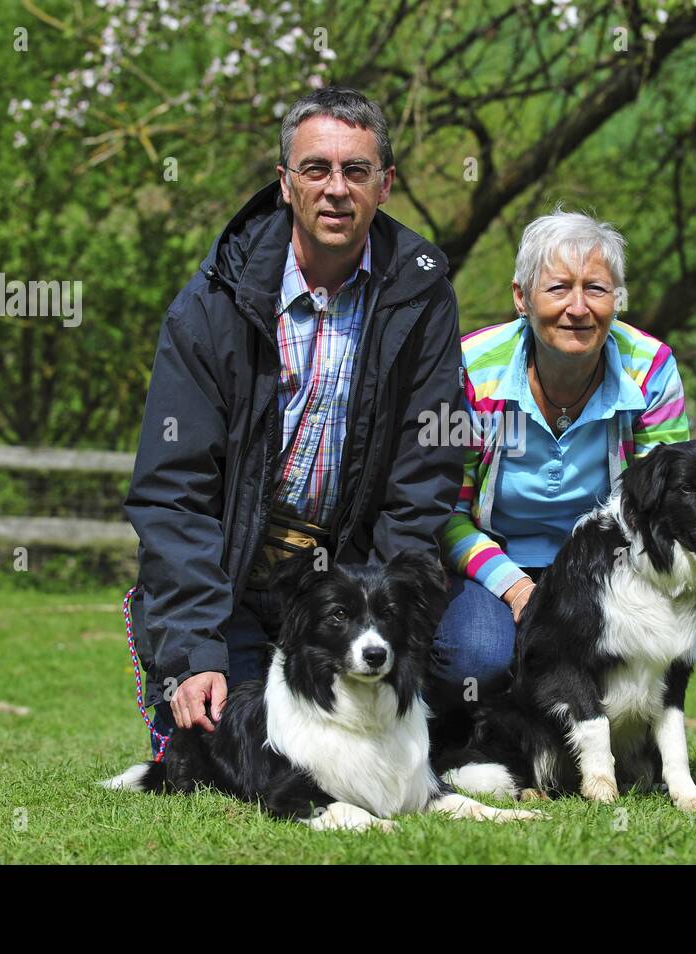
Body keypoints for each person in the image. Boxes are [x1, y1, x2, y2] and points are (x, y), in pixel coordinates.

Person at [124, 87, 464, 755]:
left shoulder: (422, 296)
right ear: (285, 183)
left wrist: (384, 622)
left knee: (467, 667)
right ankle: (169, 647)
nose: (336, 190)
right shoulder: (211, 304)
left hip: (351, 579)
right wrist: (195, 647)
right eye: (316, 169)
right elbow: (173, 491)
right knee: (236, 744)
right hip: (238, 577)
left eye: (356, 171)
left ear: (385, 184)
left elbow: (424, 476)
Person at [432, 209, 691, 721]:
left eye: (596, 289)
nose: (578, 308)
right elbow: (446, 513)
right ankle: (469, 739)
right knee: (479, 658)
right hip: (494, 559)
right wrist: (519, 589)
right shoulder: (471, 367)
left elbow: (667, 507)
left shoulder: (653, 369)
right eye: (557, 289)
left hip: (610, 561)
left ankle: (628, 734)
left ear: (618, 299)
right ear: (521, 298)